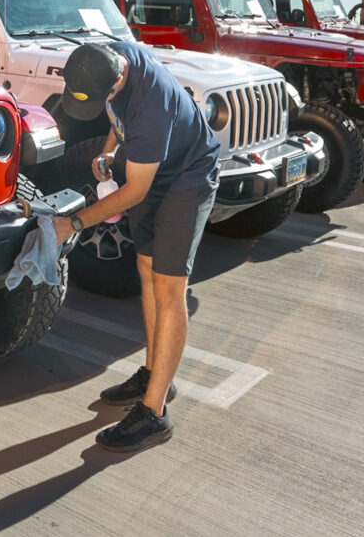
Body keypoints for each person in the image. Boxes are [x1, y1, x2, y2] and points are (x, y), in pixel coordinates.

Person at [51, 42, 219, 453]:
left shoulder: (152, 102)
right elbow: (115, 113)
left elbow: (134, 191)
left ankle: (155, 414)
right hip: (155, 169)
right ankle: (154, 374)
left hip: (187, 178)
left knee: (168, 287)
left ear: (119, 80)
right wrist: (109, 149)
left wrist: (72, 224)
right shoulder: (106, 59)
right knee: (146, 271)